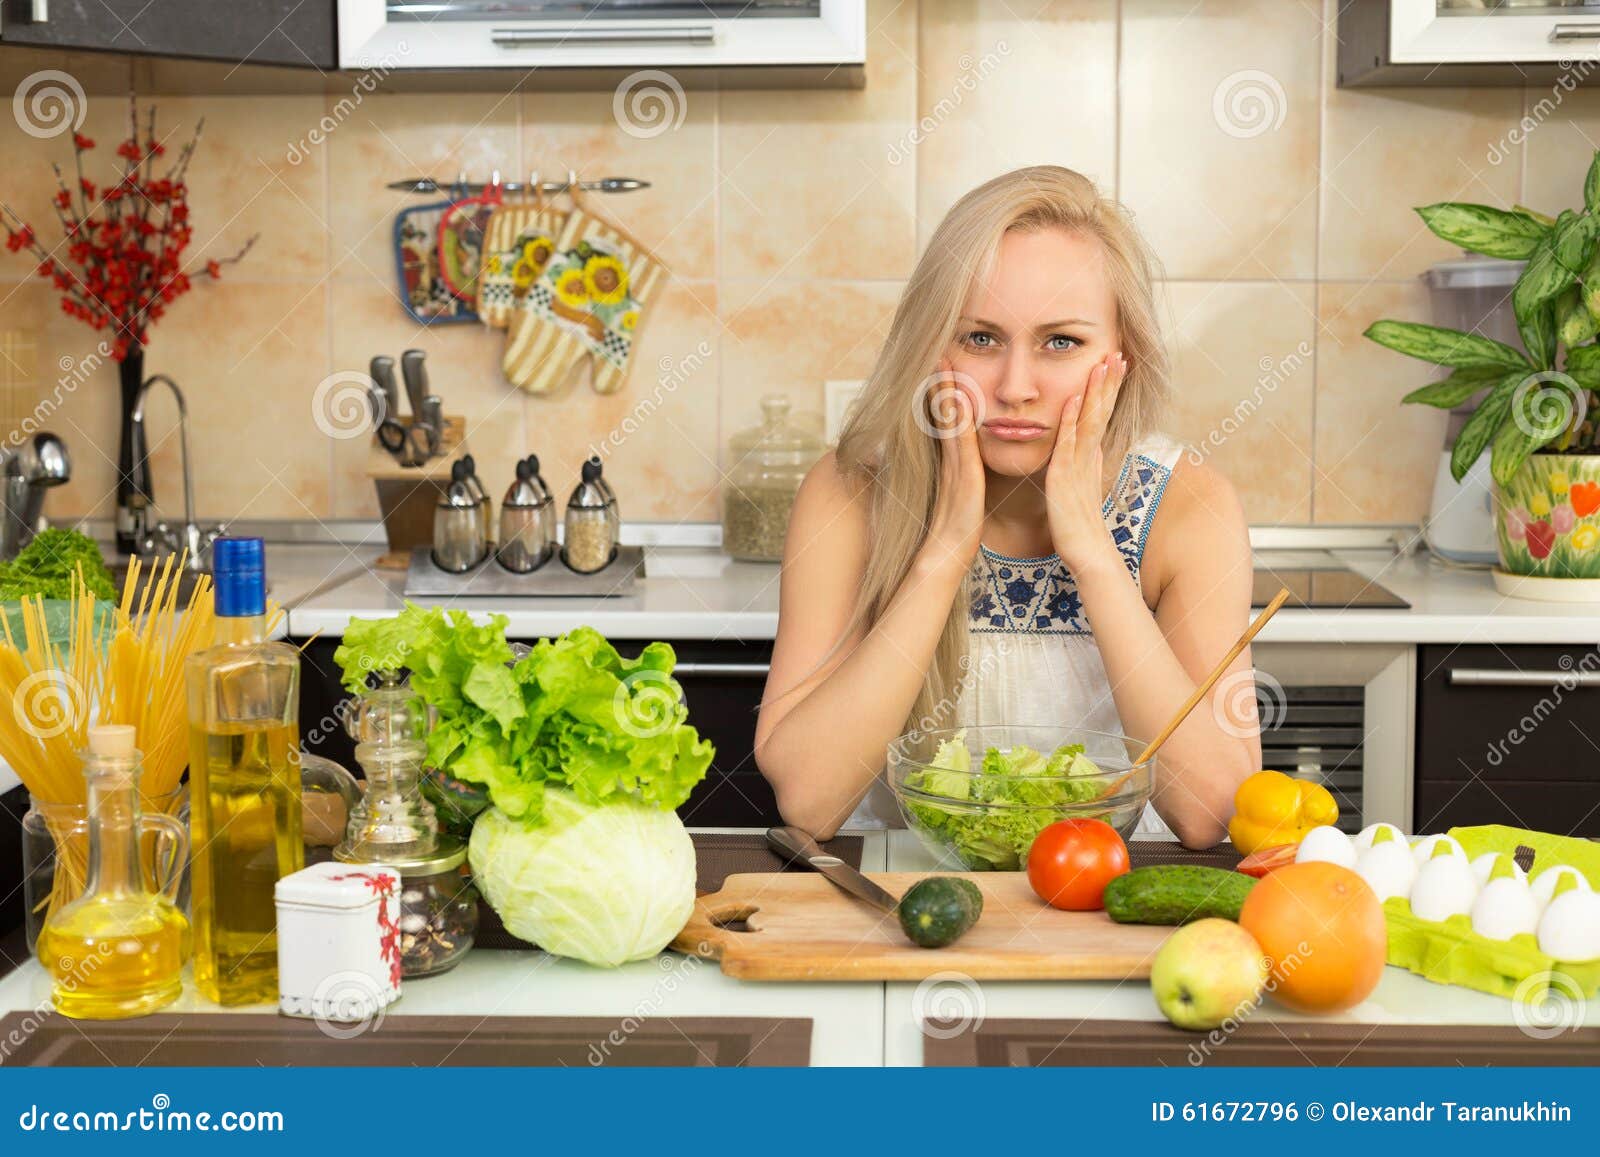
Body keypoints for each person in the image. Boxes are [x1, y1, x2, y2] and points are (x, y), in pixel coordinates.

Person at [753, 165, 1260, 847]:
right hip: (901, 907)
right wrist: (943, 553)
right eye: (980, 338)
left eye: (1061, 342)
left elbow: (1209, 813)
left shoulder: (1190, 507)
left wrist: (1093, 554)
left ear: (1121, 356)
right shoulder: (852, 492)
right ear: (933, 347)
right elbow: (809, 802)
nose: (1015, 386)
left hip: (1097, 907)